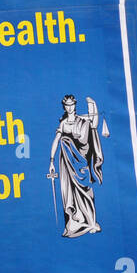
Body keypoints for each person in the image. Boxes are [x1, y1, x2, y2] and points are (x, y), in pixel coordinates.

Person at [47, 94, 104, 237]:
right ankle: (74, 221)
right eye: (67, 105)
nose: (70, 107)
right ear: (64, 107)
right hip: (68, 164)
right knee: (70, 192)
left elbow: (94, 125)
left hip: (81, 162)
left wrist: (92, 105)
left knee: (87, 190)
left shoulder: (83, 120)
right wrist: (51, 161)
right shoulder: (64, 124)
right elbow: (56, 141)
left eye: (72, 104)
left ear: (75, 105)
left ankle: (91, 221)